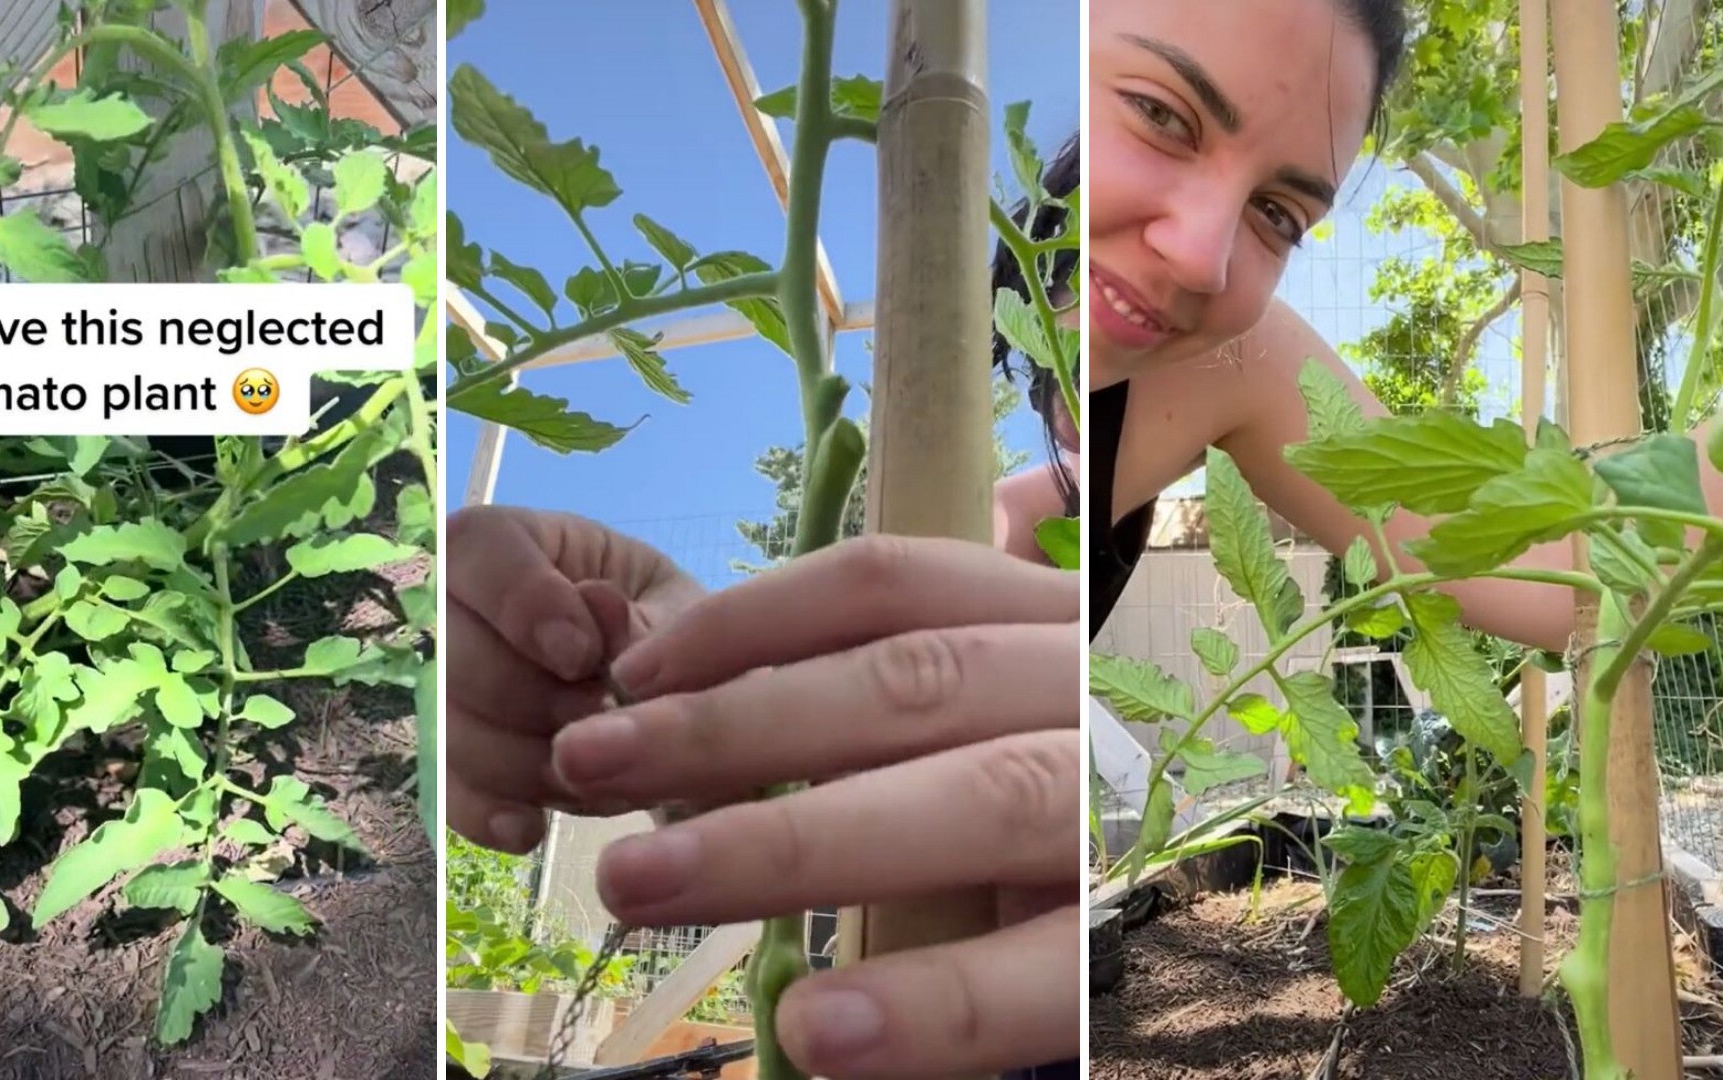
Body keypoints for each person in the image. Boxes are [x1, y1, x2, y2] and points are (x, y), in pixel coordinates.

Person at [451, 0, 1668, 1076]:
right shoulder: (1006, 513)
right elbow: (811, 783)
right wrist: (661, 674)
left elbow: (1556, 581)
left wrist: (1684, 471)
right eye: (1161, 113)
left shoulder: (1227, 362)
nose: (1203, 252)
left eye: (1280, 212)